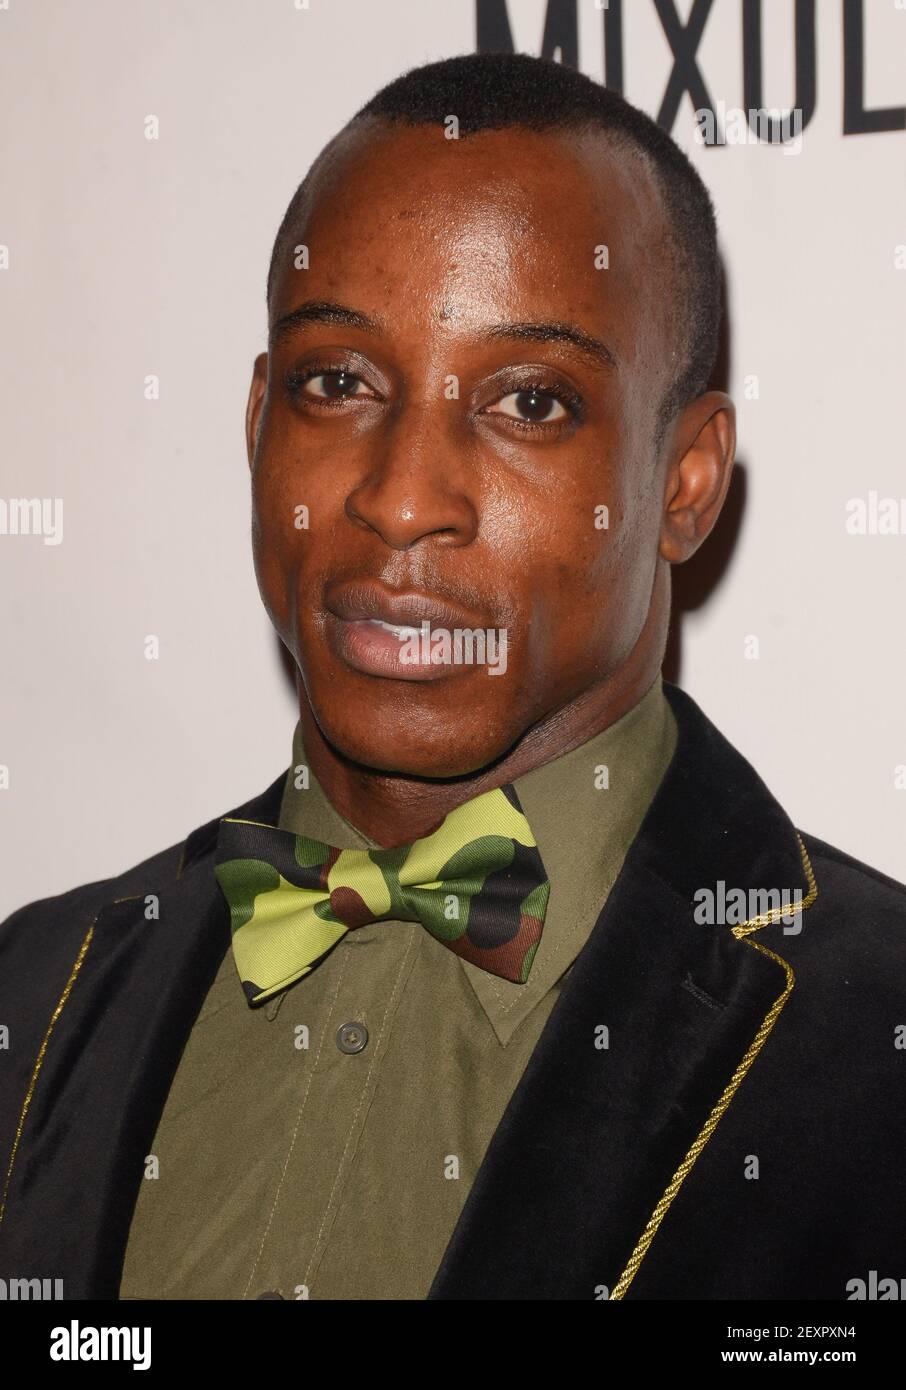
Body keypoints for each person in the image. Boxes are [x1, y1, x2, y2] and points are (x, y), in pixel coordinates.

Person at [1, 51, 903, 1303]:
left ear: (684, 484)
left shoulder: (878, 1044)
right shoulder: (33, 995)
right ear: (259, 422)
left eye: (529, 401)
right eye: (339, 381)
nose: (400, 497)